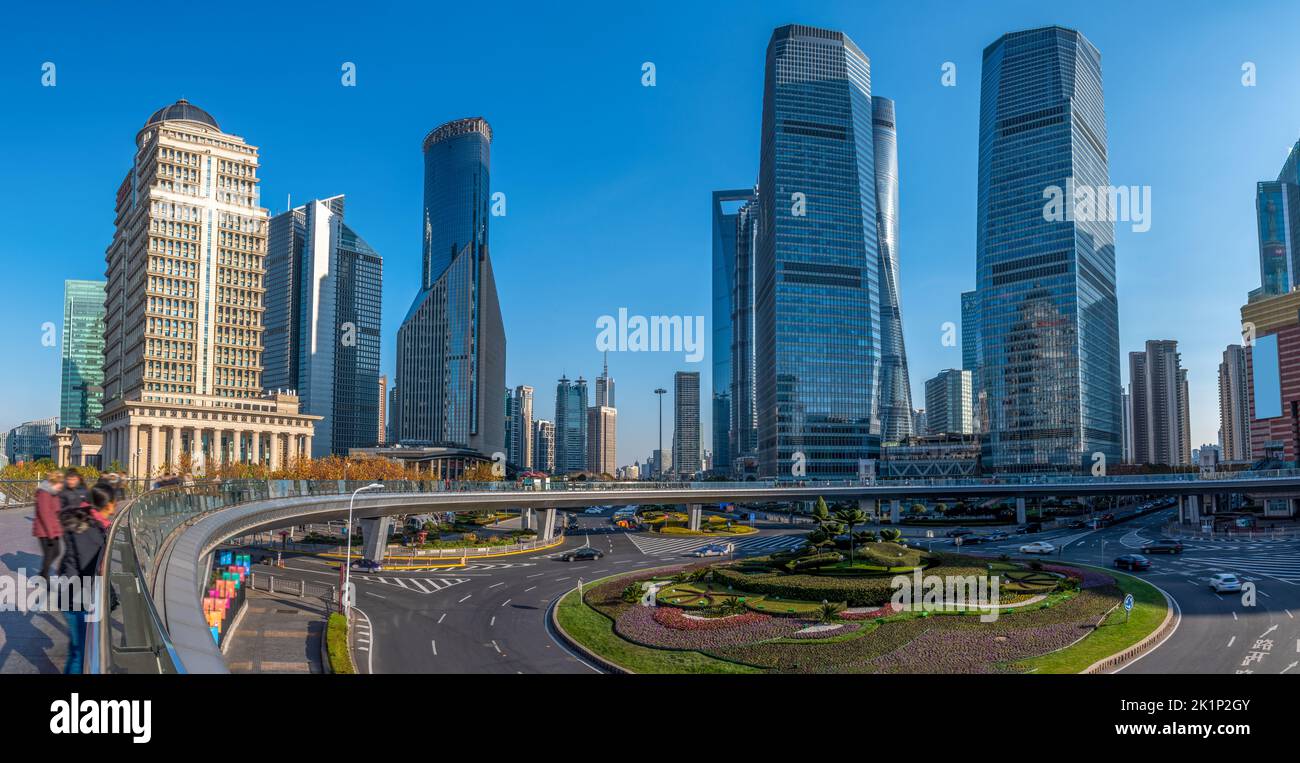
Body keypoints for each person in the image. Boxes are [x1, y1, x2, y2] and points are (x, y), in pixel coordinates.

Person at [57, 485, 109, 674]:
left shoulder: (87, 524)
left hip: (72, 594)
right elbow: (90, 569)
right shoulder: (91, 531)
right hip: (76, 597)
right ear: (107, 505)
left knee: (77, 648)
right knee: (80, 652)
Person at [32, 472, 64, 579]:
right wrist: (51, 534)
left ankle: (42, 573)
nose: (61, 486)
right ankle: (43, 576)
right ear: (55, 482)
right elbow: (44, 515)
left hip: (52, 530)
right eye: (60, 483)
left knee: (56, 551)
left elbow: (56, 510)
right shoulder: (44, 493)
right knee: (50, 554)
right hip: (44, 531)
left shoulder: (54, 493)